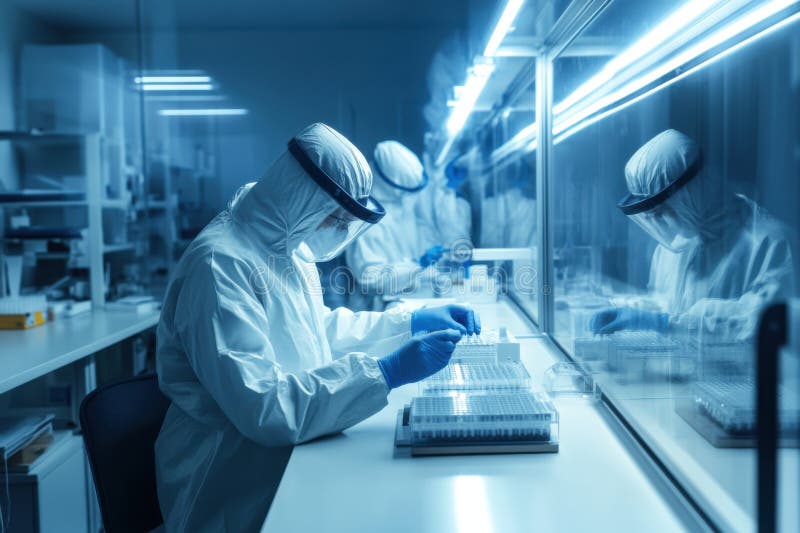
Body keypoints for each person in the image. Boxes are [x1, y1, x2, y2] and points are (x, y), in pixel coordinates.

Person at [155, 123, 481, 532]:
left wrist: (410, 321)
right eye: (336, 218)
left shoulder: (285, 246)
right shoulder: (220, 265)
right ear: (300, 197)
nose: (340, 231)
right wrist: (387, 372)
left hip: (290, 455)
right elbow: (265, 407)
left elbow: (316, 330)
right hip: (231, 483)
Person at [591, 129, 794, 340]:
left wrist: (661, 323)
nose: (659, 223)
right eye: (651, 216)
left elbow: (759, 324)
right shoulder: (672, 248)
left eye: (661, 211)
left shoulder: (772, 243)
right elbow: (667, 307)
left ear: (693, 194)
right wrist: (634, 309)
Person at [346, 140, 440, 306]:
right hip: (379, 309)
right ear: (391, 185)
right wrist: (417, 265)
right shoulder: (364, 219)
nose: (409, 196)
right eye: (406, 191)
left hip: (412, 299)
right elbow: (370, 278)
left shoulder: (402, 204)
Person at [415, 154, 473, 255]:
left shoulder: (462, 205)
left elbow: (455, 236)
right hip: (435, 254)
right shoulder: (437, 194)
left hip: (448, 255)